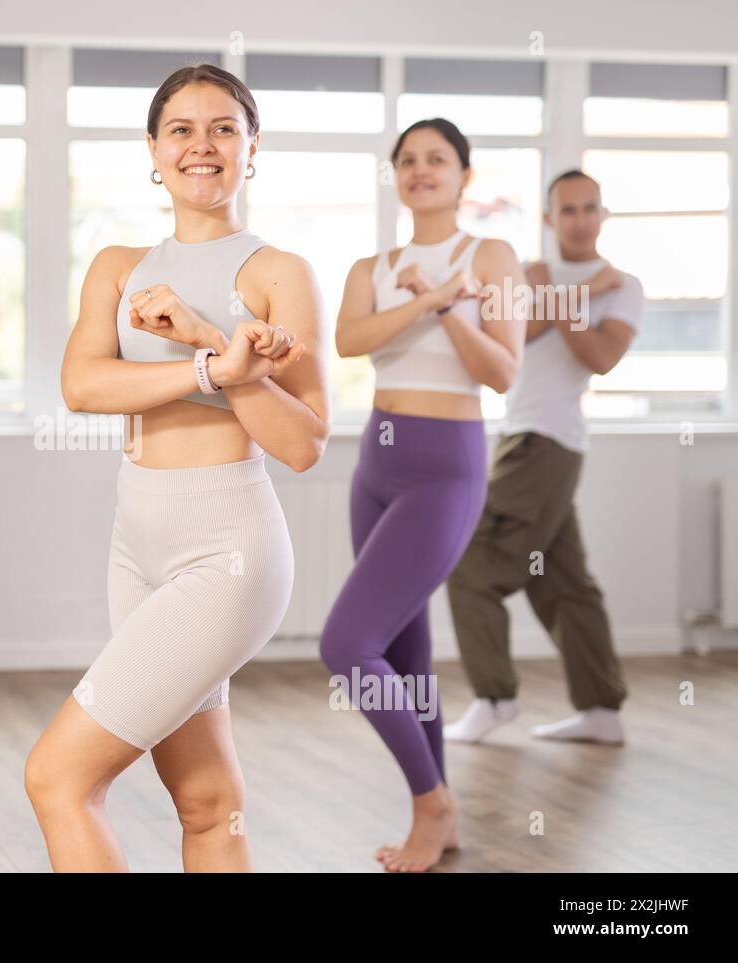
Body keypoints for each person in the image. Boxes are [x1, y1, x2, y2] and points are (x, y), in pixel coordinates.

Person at [24, 64, 328, 872]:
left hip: (227, 546)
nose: (203, 145)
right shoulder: (118, 267)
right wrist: (214, 370)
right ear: (153, 152)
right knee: (205, 802)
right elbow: (84, 385)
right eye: (182, 130)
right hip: (136, 542)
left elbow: (302, 442)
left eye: (224, 128)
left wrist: (204, 333)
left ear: (252, 148)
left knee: (56, 778)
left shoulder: (278, 274)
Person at [323, 118, 527, 872]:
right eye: (407, 160)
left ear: (464, 175)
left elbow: (503, 372)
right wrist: (429, 292)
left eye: (436, 159)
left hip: (446, 465)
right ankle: (433, 814)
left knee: (345, 645)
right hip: (377, 462)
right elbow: (350, 341)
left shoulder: (493, 256)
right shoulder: (369, 266)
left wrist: (446, 304)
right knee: (404, 653)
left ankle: (433, 800)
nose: (420, 169)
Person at [446, 169, 641, 746]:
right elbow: (513, 340)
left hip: (548, 441)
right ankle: (603, 710)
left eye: (590, 208)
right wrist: (574, 296)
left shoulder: (625, 284)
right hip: (519, 435)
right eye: (569, 210)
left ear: (603, 215)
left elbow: (601, 357)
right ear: (550, 218)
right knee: (563, 579)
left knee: (469, 561)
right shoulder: (525, 276)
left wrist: (555, 297)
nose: (580, 220)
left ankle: (494, 697)